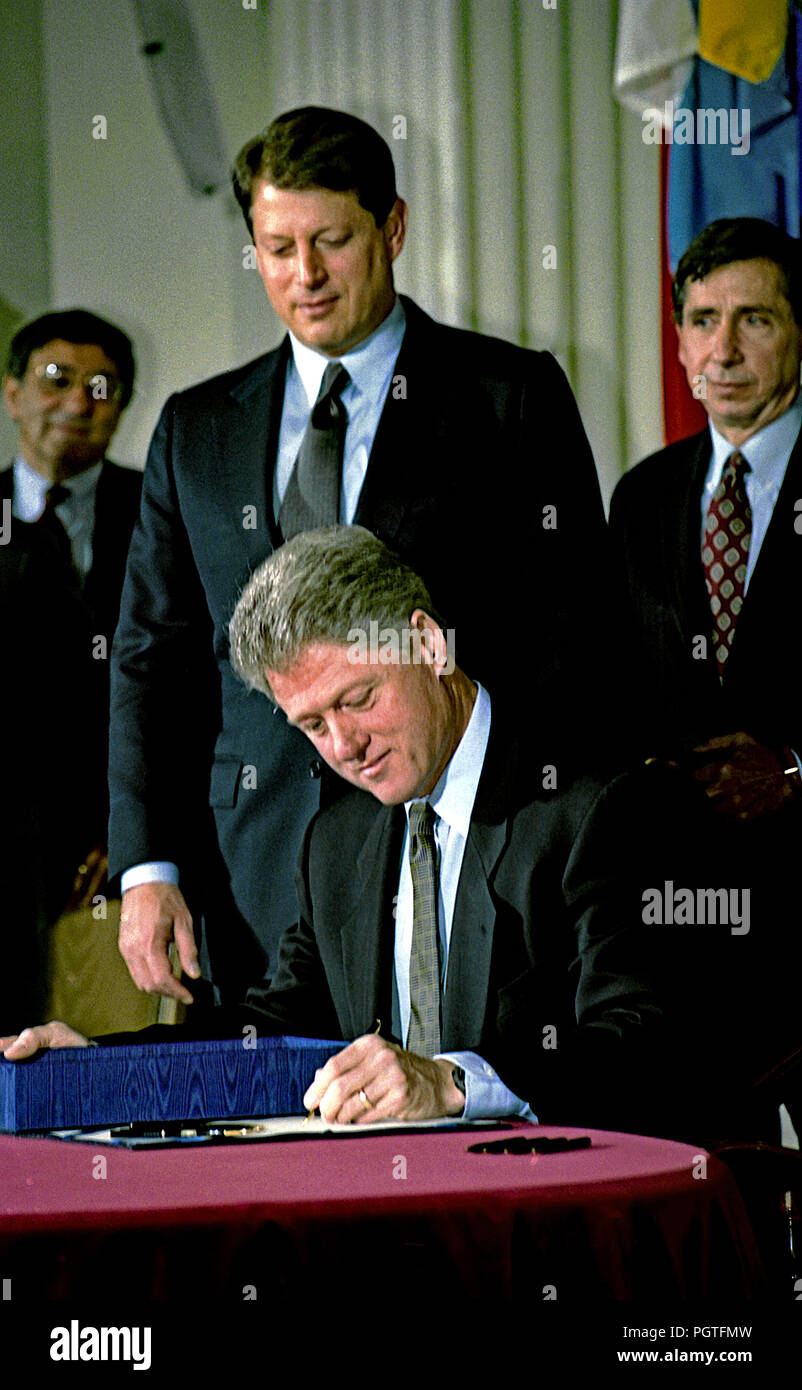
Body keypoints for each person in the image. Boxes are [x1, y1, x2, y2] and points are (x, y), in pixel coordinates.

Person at [109, 105, 614, 1011]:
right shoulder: (196, 428)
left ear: (393, 226)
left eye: (333, 241)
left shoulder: (508, 398)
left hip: (463, 862)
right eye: (275, 247)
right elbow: (152, 659)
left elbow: (571, 633)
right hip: (248, 869)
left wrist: (526, 832)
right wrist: (147, 863)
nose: (304, 276)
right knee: (254, 1119)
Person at [3, 526, 661, 1131]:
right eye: (314, 725)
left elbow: (645, 1038)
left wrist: (456, 1082)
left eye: (357, 699)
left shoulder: (596, 803)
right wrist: (97, 1069)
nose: (344, 746)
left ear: (428, 643)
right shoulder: (337, 840)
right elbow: (268, 1037)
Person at [608, 218, 802, 1134]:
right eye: (701, 319)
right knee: (714, 1199)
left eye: (754, 320)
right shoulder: (643, 495)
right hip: (686, 925)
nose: (722, 350)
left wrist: (798, 770)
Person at [1, 309, 141, 953]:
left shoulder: (160, 508)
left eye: (102, 387)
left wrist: (136, 835)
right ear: (12, 393)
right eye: (55, 378)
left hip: (123, 857)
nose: (78, 402)